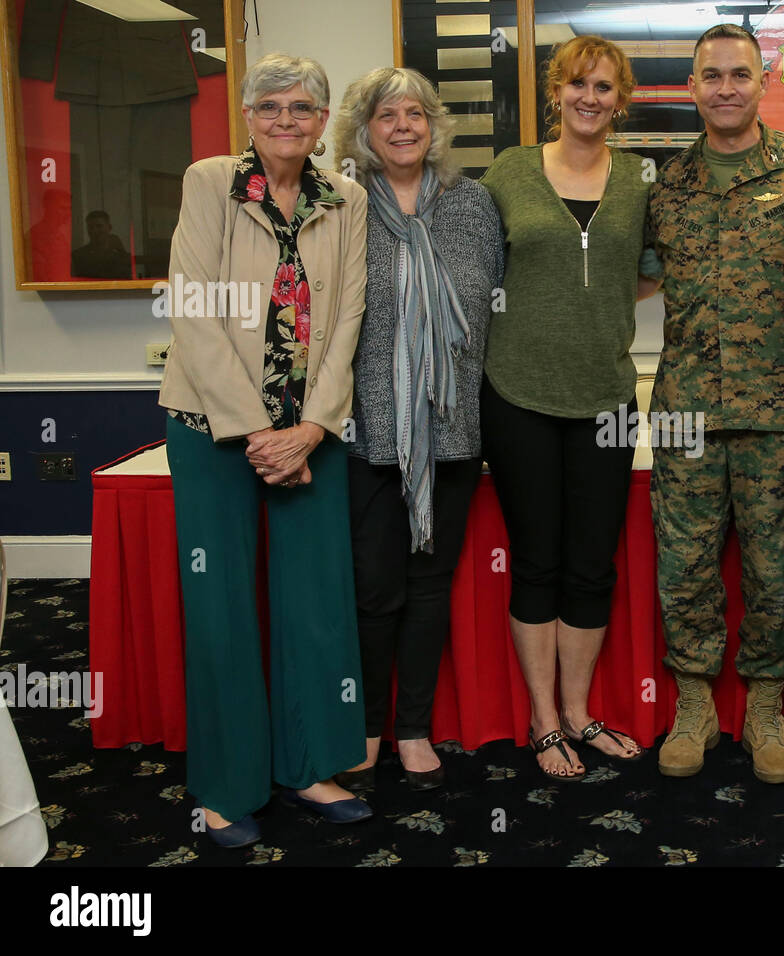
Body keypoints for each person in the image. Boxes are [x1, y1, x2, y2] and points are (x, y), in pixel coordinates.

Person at [158, 53, 372, 847]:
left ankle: (310, 764)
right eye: (272, 107)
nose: (288, 121)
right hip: (214, 429)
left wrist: (312, 427)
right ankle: (224, 786)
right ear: (248, 116)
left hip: (311, 434)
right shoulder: (211, 180)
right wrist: (256, 432)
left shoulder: (345, 198)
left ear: (322, 123)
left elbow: (348, 316)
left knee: (316, 606)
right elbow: (195, 305)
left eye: (304, 109)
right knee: (222, 611)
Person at [643, 23, 784, 785]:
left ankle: (764, 708)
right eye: (711, 75)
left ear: (763, 82)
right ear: (693, 87)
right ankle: (693, 706)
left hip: (778, 411)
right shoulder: (665, 188)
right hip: (685, 408)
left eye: (739, 74)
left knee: (776, 572)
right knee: (683, 566)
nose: (725, 87)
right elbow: (631, 281)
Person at [477, 35, 660, 781]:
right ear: (557, 91)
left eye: (606, 87)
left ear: (622, 99)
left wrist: (597, 308)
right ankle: (544, 720)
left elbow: (650, 272)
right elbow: (478, 270)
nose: (591, 97)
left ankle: (581, 713)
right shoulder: (511, 172)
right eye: (579, 84)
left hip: (607, 397)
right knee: (539, 561)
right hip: (517, 392)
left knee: (591, 566)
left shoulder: (641, 181)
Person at [330, 67, 502, 792]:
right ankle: (369, 724)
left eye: (415, 114)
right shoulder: (341, 205)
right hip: (368, 427)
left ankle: (414, 728)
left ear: (434, 125)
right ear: (363, 130)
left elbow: (498, 308)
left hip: (452, 426)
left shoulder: (473, 204)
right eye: (386, 115)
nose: (403, 126)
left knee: (431, 583)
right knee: (376, 588)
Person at [71, 210, 131, 278]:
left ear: (109, 227)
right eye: (91, 227)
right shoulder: (78, 256)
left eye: (99, 226)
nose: (94, 231)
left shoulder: (119, 256)